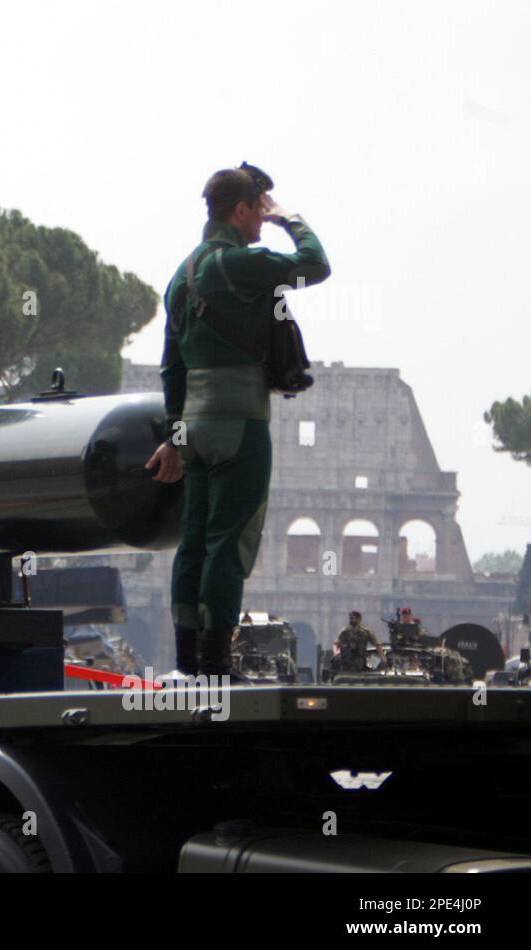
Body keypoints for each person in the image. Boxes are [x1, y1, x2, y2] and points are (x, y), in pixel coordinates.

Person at [146, 162, 331, 679]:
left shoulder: (181, 277)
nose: (260, 221)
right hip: (240, 422)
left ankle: (186, 662)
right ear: (242, 209)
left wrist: (174, 441)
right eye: (259, 209)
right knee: (231, 543)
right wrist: (290, 219)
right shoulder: (238, 264)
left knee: (195, 541)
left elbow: (172, 366)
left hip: (197, 428)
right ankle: (216, 663)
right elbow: (315, 266)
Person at [332, 610, 384, 674]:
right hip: (347, 660)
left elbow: (377, 645)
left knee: (378, 663)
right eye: (350, 618)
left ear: (359, 619)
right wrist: (336, 653)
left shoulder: (366, 632)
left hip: (362, 659)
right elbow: (336, 644)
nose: (350, 620)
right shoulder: (345, 631)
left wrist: (382, 657)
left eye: (352, 618)